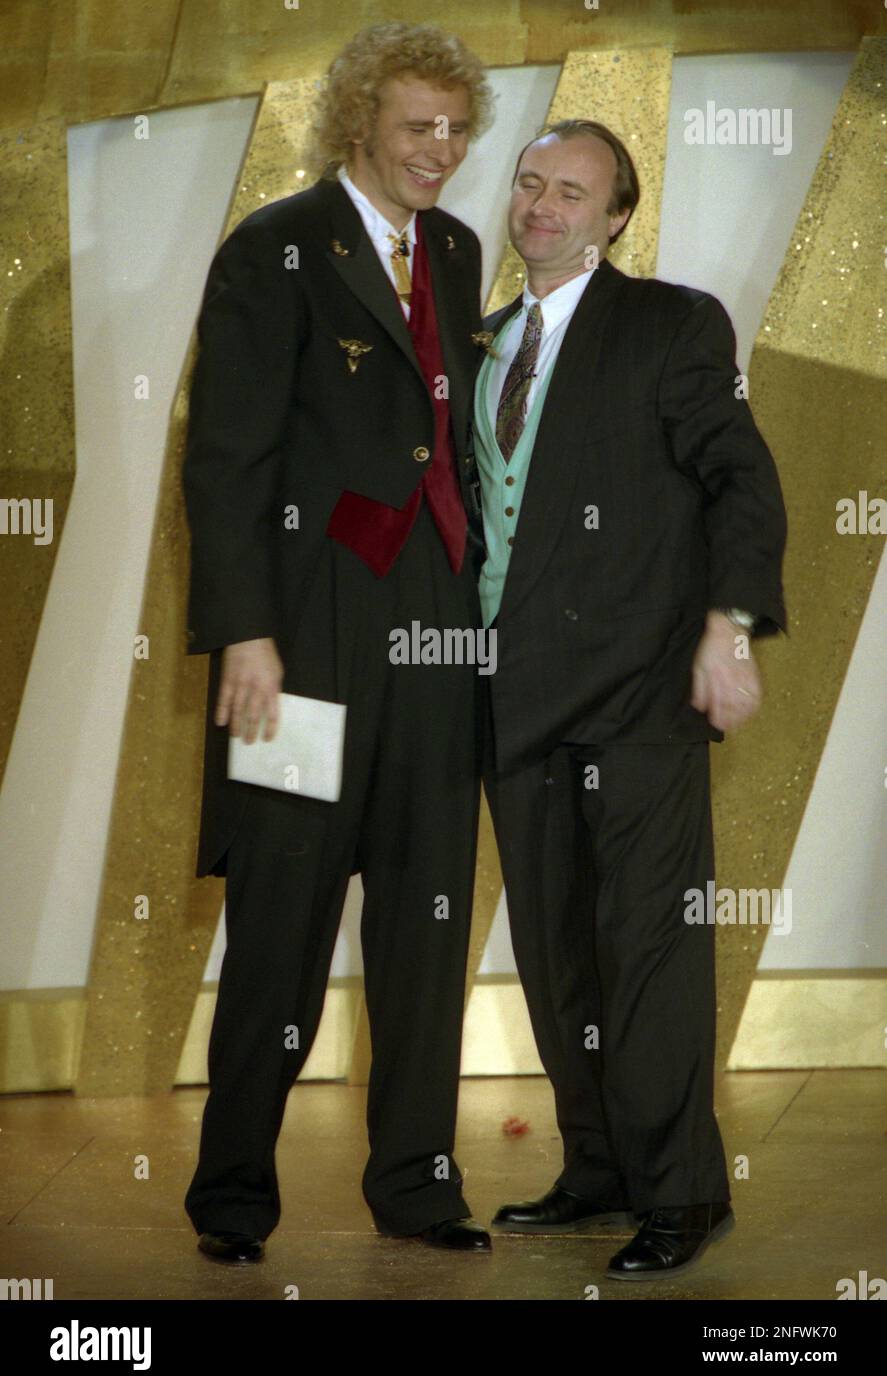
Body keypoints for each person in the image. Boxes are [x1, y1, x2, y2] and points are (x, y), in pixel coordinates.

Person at [181, 22, 494, 1260]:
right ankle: (232, 1200)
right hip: (305, 636)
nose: (441, 150)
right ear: (358, 119)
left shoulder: (462, 251)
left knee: (424, 917)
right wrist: (242, 635)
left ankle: (418, 1190)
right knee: (281, 919)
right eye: (419, 125)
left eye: (458, 129)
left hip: (438, 628)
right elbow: (225, 460)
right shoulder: (272, 249)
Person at [475, 119, 788, 1279]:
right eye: (528, 184)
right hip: (510, 702)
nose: (541, 205)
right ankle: (597, 1170)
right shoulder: (485, 339)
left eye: (572, 192)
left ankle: (682, 1194)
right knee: (559, 955)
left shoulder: (668, 325)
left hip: (639, 699)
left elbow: (739, 479)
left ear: (615, 218)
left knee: (645, 951)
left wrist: (728, 623)